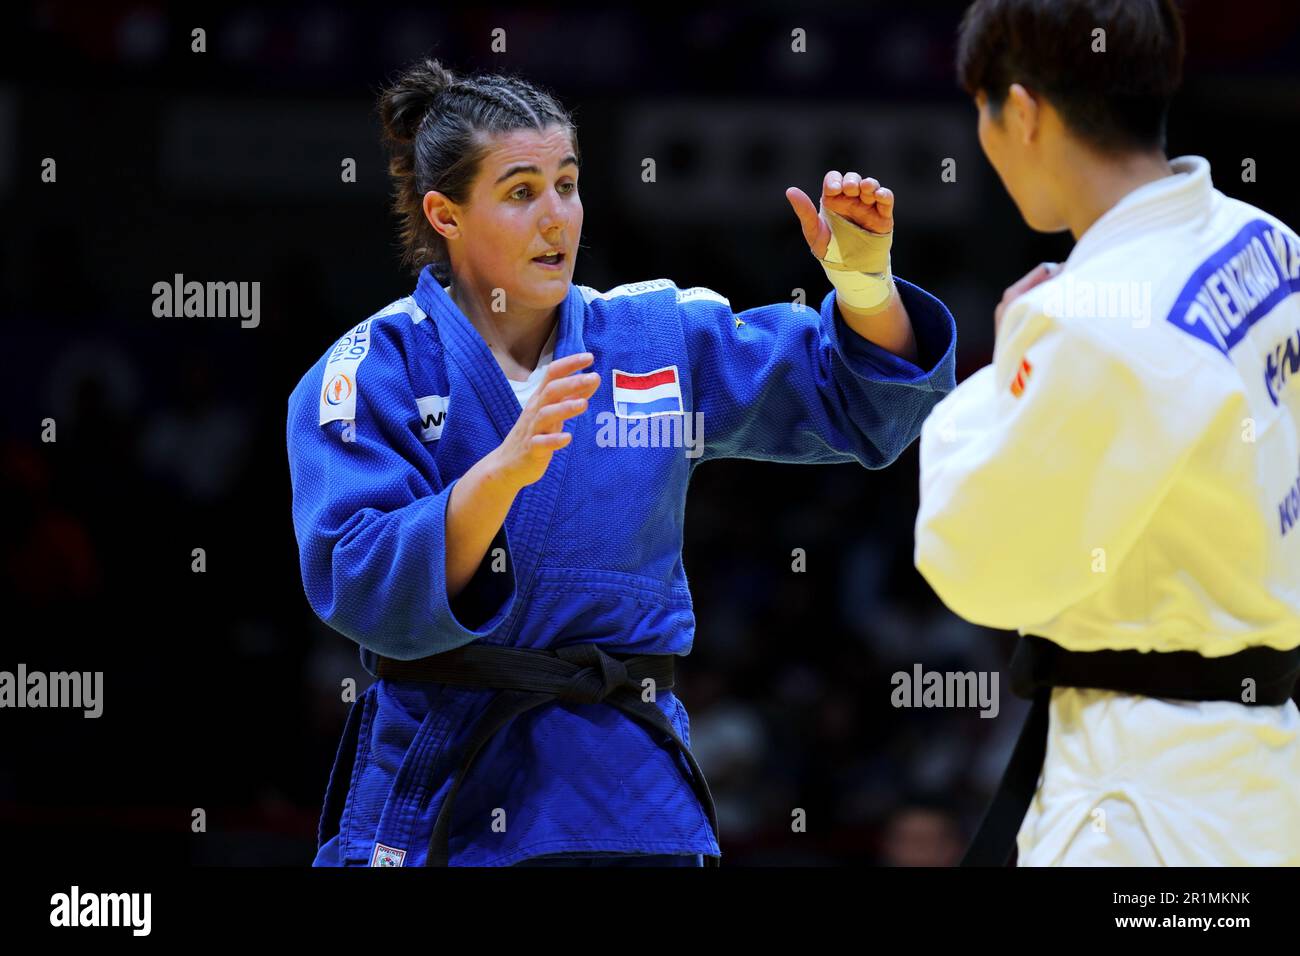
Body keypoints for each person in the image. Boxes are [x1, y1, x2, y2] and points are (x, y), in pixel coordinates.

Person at [288, 57, 957, 866]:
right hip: (449, 778)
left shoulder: (653, 339)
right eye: (520, 191)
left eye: (566, 184)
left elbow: (855, 405)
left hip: (628, 791)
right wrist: (500, 473)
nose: (556, 218)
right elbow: (357, 579)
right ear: (446, 213)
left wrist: (865, 290)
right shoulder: (374, 367)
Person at [915, 0, 1300, 865]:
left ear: (1021, 111)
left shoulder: (1088, 320)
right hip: (1259, 771)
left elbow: (976, 567)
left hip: (1143, 814)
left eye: (981, 110)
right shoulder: (1268, 243)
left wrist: (1001, 370)